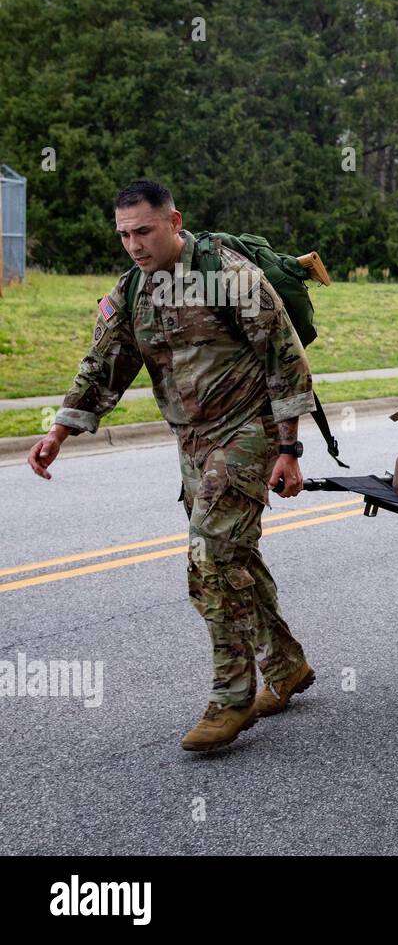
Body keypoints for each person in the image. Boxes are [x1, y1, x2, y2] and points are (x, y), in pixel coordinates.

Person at [26, 179, 317, 751]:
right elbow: (102, 365)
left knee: (208, 555)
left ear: (174, 222)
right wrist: (59, 431)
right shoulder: (132, 292)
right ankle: (285, 665)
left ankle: (231, 697)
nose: (134, 245)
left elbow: (285, 358)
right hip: (193, 445)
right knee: (236, 558)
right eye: (124, 235)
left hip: (247, 434)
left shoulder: (227, 276)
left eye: (144, 231)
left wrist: (289, 449)